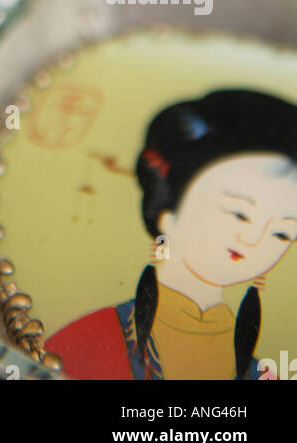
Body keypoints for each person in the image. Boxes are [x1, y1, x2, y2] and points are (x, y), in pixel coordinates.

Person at [46, 90, 297, 380]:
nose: (253, 240)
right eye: (238, 214)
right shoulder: (89, 340)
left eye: (282, 234)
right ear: (168, 208)